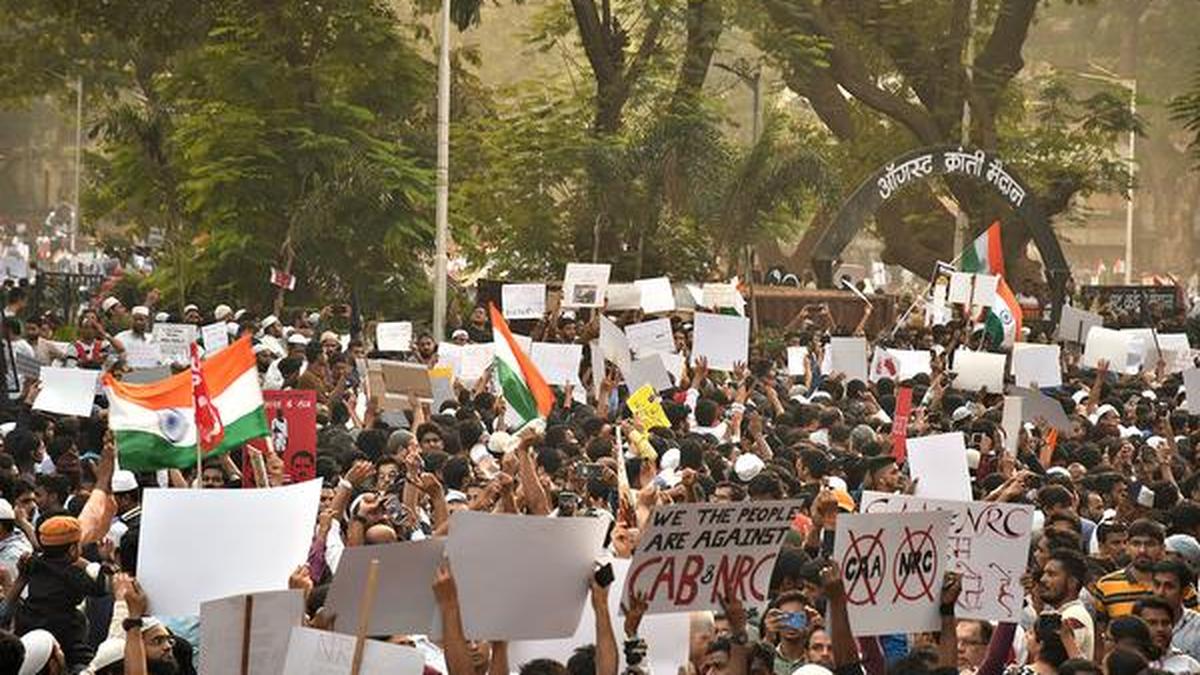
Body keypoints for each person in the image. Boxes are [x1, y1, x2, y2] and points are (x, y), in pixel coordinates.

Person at [13, 516, 112, 670]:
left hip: (28, 626)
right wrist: (105, 561)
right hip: (65, 636)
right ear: (73, 549)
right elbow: (100, 589)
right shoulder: (72, 574)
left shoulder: (33, 563)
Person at [1091, 518, 1196, 622]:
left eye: (1150, 544)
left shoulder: (1178, 585)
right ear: (1127, 547)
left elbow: (1193, 626)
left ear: (1162, 548)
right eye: (1136, 544)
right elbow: (1101, 632)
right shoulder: (1106, 586)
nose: (1142, 550)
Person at [1132, 597, 1200, 673]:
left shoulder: (1189, 666)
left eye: (1165, 623)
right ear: (1137, 625)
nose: (1160, 629)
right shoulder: (1126, 665)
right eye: (1152, 623)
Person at [1150, 558, 1200, 660]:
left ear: (1185, 592)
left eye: (1169, 587)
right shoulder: (1139, 623)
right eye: (1157, 585)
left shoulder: (1197, 627)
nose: (1160, 592)